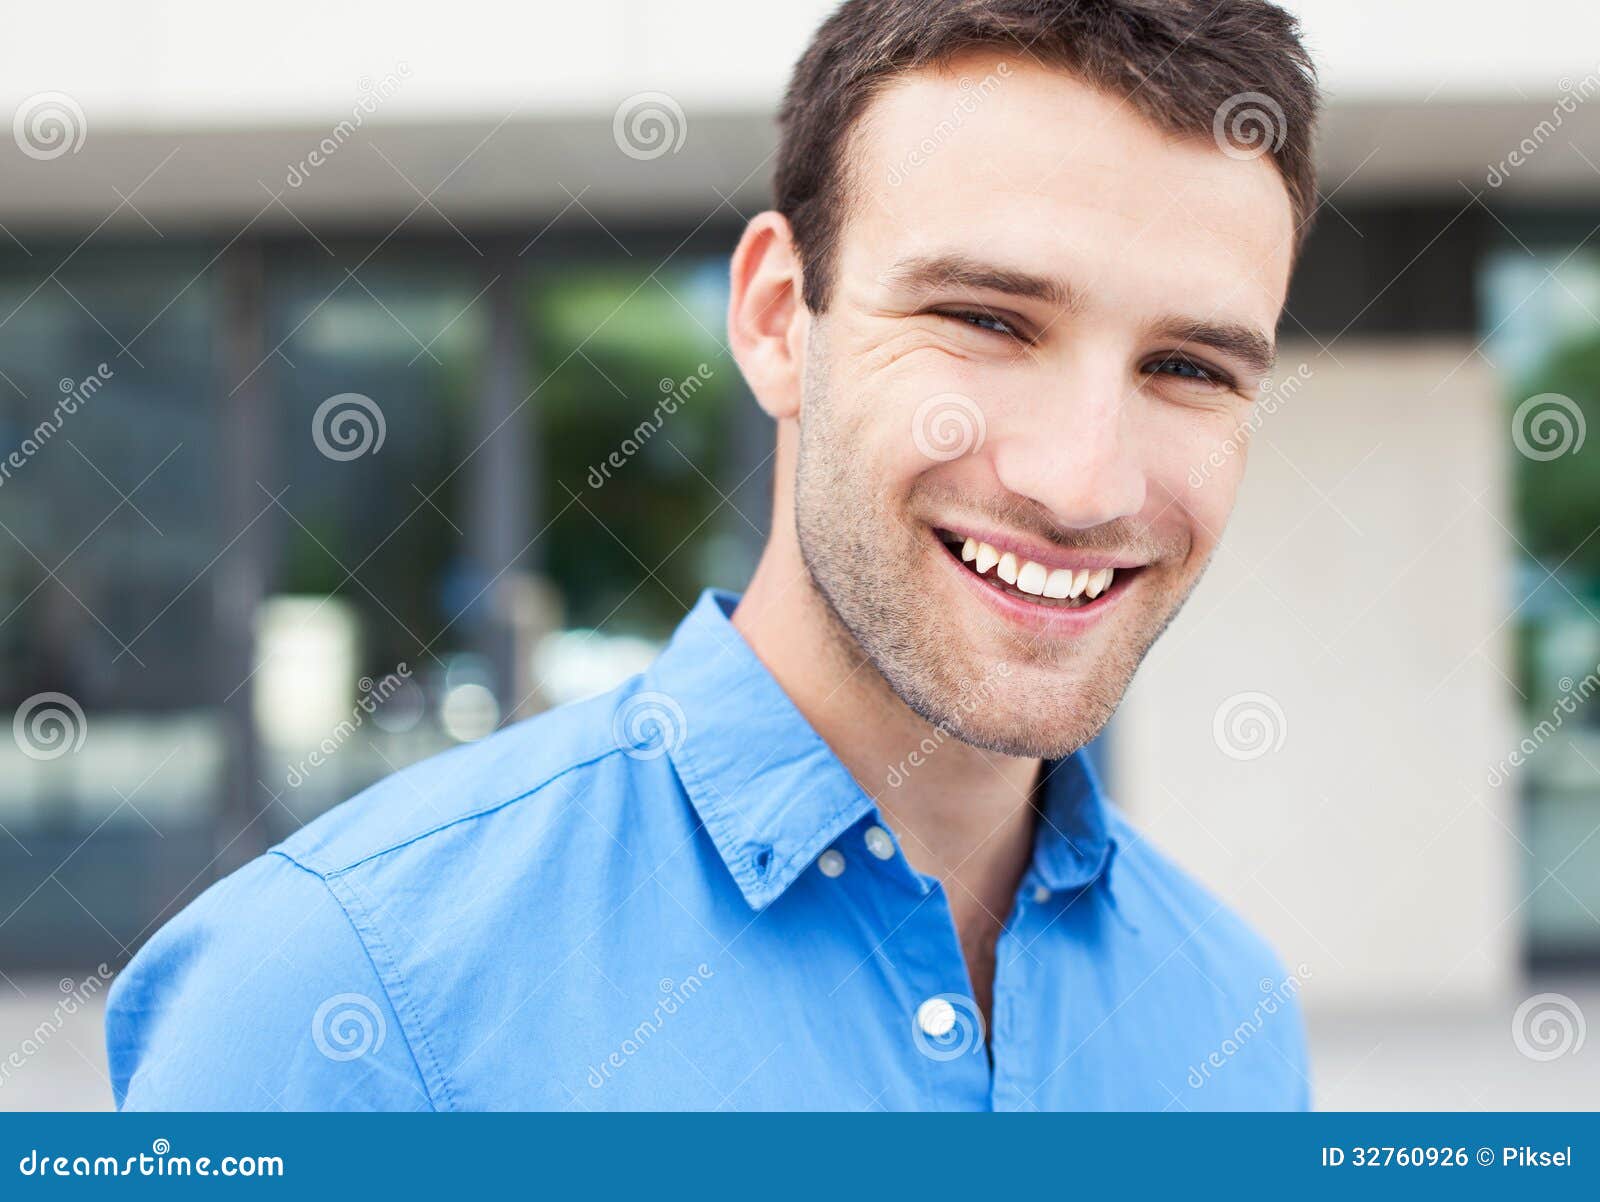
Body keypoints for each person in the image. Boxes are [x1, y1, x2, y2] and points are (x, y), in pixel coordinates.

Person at [108, 0, 1320, 1111]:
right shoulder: (336, 992)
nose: (1082, 481)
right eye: (986, 320)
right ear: (774, 318)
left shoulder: (1231, 1018)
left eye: (1189, 368)